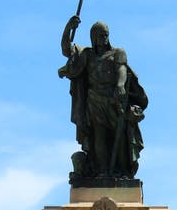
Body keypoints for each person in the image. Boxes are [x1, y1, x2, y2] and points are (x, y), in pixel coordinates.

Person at [59, 16, 147, 180]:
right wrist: (68, 28)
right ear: (93, 37)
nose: (104, 37)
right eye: (101, 35)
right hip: (94, 101)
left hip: (114, 100)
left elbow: (121, 69)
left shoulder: (118, 53)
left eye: (106, 34)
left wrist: (120, 84)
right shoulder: (87, 55)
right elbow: (66, 50)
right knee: (99, 136)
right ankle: (103, 172)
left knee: (119, 135)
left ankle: (123, 172)